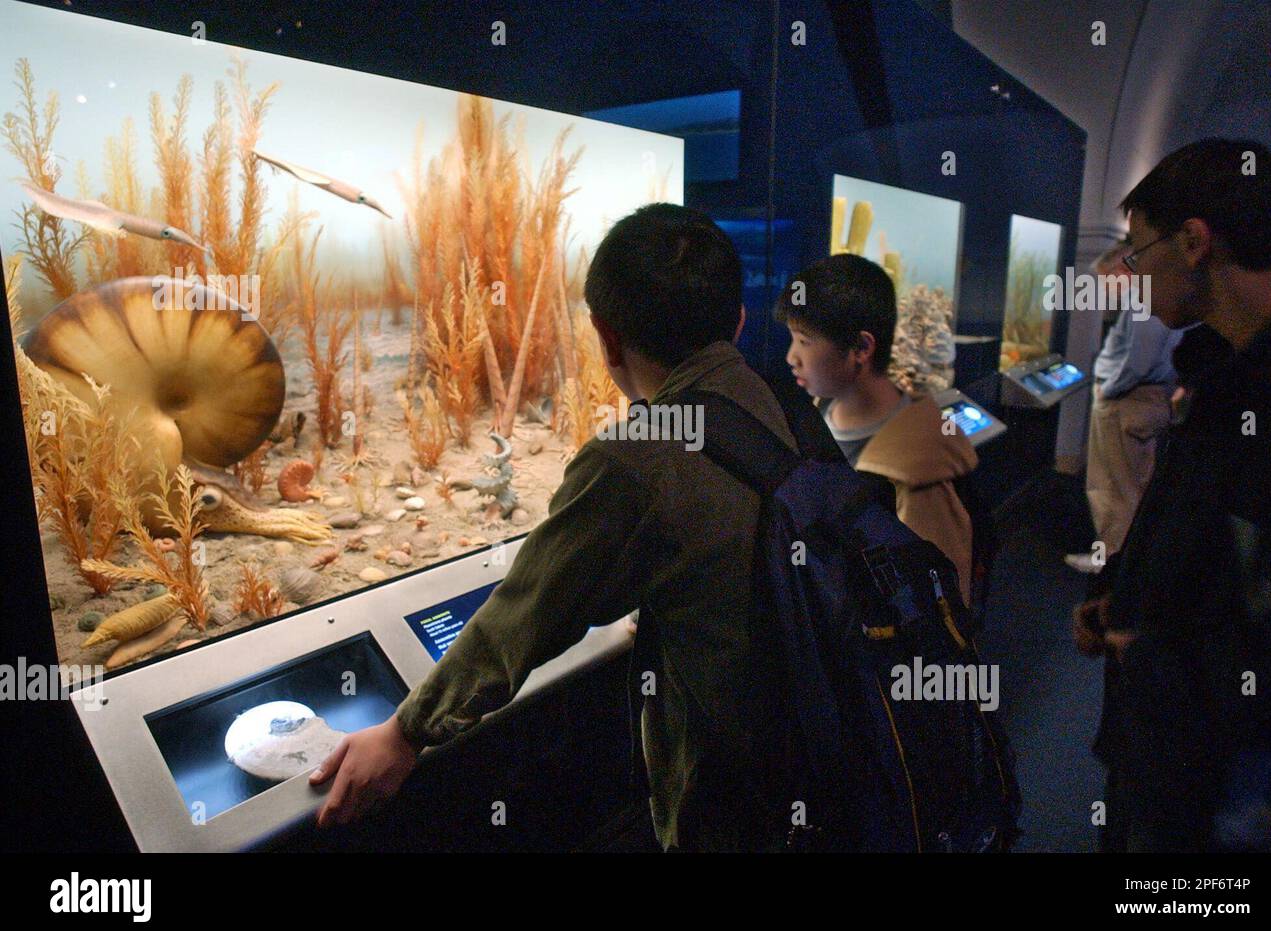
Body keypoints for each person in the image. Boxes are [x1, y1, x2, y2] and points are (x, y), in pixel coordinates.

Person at [310, 203, 829, 851]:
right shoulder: (772, 400)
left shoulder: (637, 459)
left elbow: (525, 615)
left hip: (736, 800)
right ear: (740, 319)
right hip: (815, 749)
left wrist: (404, 732)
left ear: (605, 337)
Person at [1073, 138, 1271, 852]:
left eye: (1140, 252)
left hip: (1222, 772)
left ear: (1195, 242)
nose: (1134, 273)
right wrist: (1124, 592)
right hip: (1165, 742)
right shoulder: (1221, 366)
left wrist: (1162, 659)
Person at [777, 254, 979, 605]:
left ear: (861, 348)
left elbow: (942, 597)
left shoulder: (916, 467)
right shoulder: (817, 414)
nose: (791, 357)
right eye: (792, 339)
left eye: (805, 341)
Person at [1065, 243, 1182, 575]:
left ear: (1122, 270)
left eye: (1106, 281)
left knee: (1111, 489)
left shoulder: (1143, 301)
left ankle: (1110, 563)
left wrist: (1109, 387)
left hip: (1126, 402)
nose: (1105, 291)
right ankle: (1125, 563)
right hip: (1148, 400)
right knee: (1133, 485)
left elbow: (1139, 360)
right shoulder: (1160, 300)